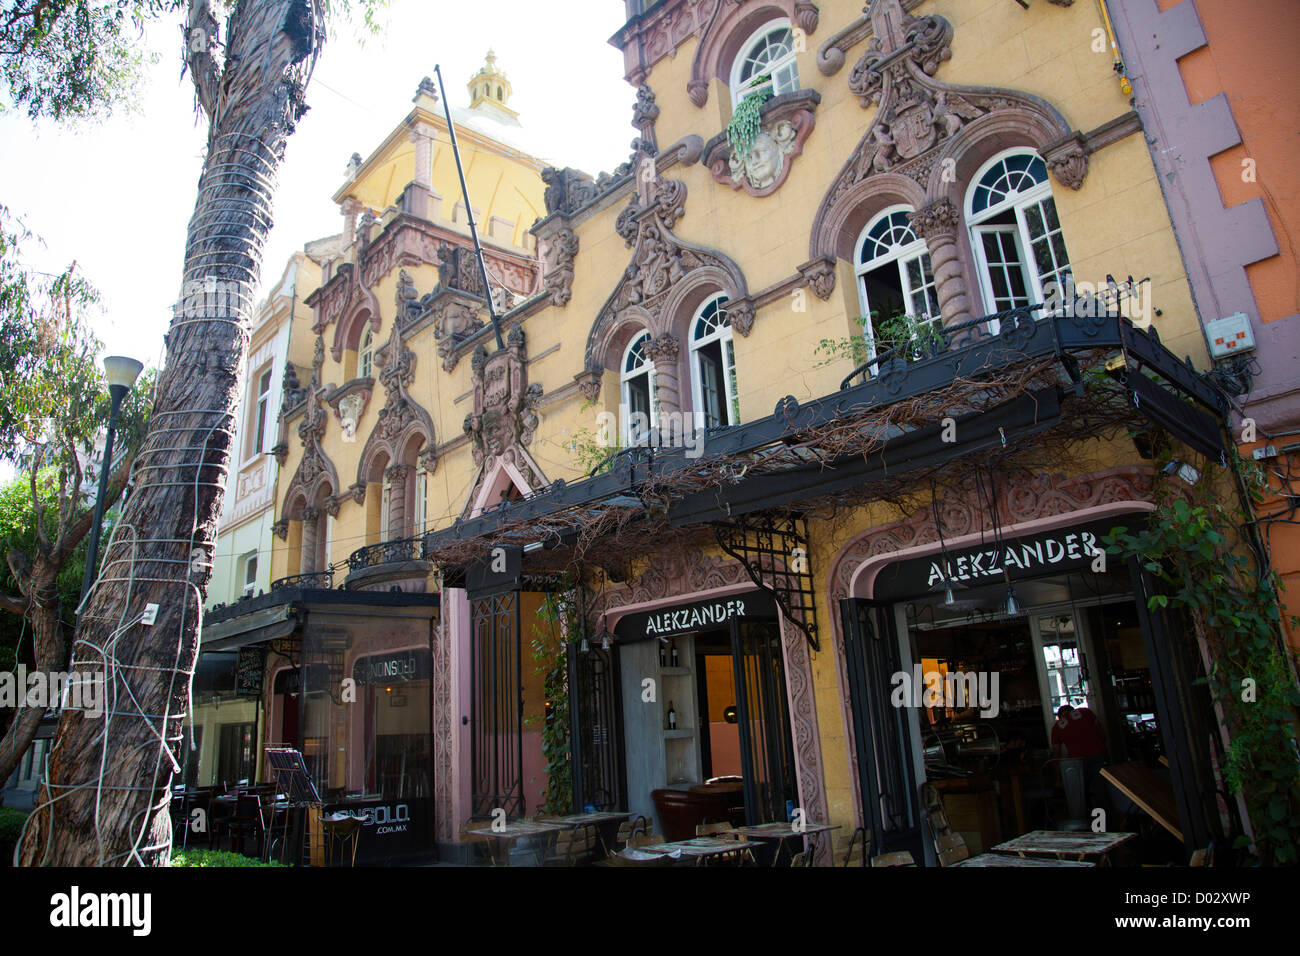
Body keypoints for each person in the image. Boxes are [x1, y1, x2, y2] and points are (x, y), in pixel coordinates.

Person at [1051, 704, 1110, 818]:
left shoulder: (1057, 726)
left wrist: (1058, 778)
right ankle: (1105, 824)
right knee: (1101, 792)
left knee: (1079, 794)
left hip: (1077, 761)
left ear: (1060, 716)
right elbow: (1102, 733)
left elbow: (1056, 753)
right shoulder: (1086, 712)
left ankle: (1085, 821)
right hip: (1098, 754)